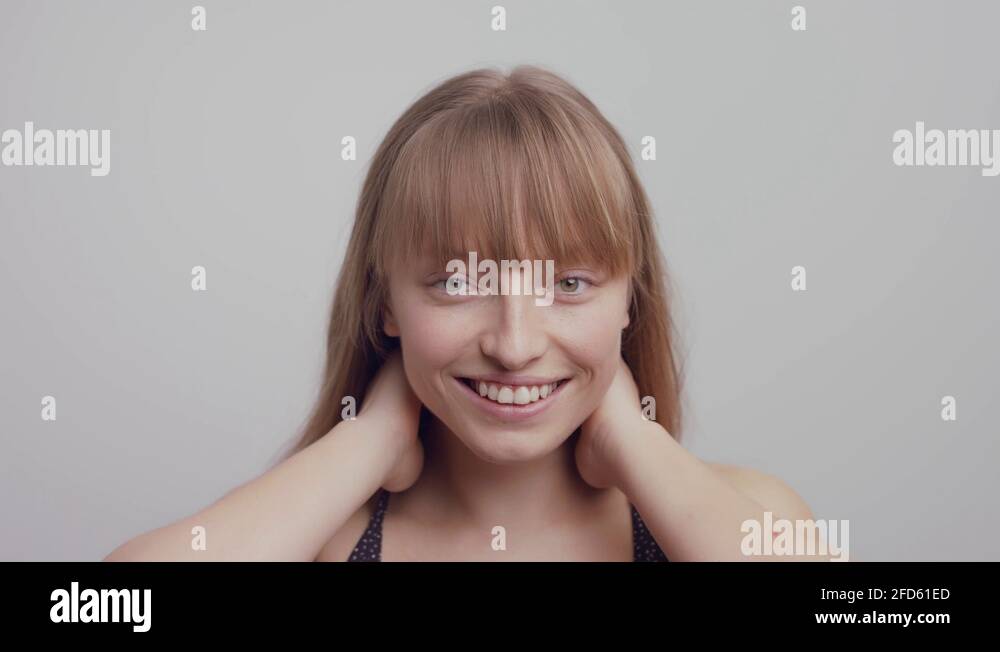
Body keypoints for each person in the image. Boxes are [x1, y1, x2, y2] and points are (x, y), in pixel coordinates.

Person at [105, 65, 822, 562]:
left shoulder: (738, 516)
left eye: (569, 284)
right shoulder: (325, 536)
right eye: (457, 283)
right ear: (384, 302)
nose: (514, 346)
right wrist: (373, 441)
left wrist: (633, 441)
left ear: (630, 300)